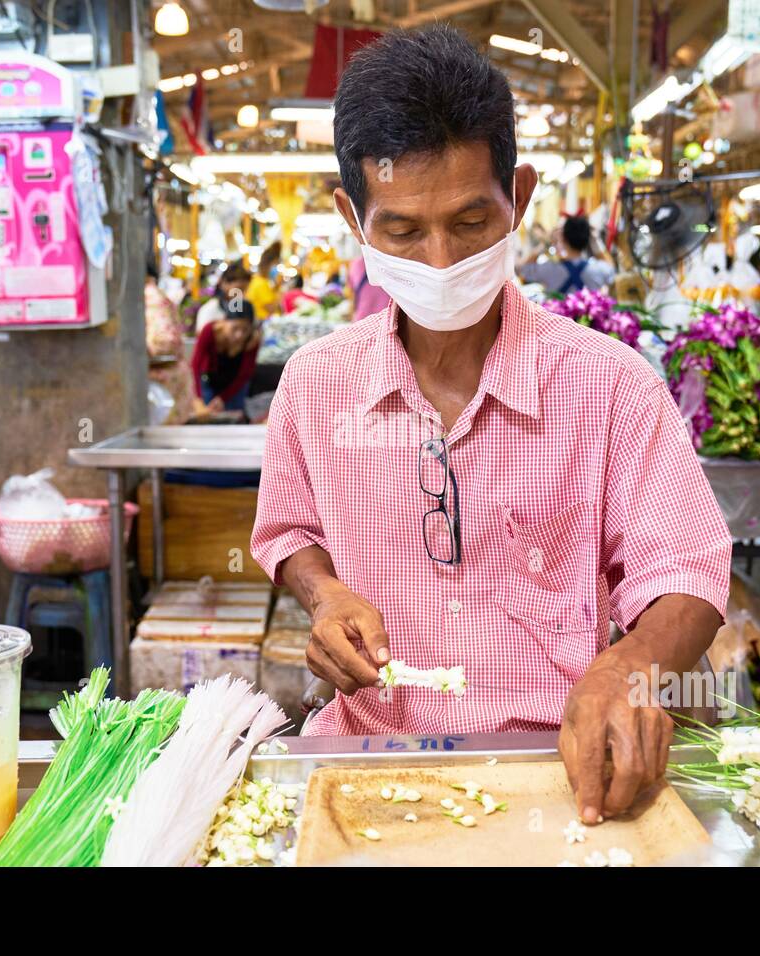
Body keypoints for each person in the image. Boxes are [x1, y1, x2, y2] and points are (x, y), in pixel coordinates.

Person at [251, 25, 731, 823]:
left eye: (472, 223)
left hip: (562, 768)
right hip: (368, 761)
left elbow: (688, 572)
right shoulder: (316, 385)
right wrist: (324, 592)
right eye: (403, 230)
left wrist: (634, 663)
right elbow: (289, 529)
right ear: (351, 216)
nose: (439, 260)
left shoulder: (610, 388)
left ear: (523, 196)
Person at [191, 297, 259, 415]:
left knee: (235, 417)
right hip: (210, 379)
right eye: (235, 328)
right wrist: (197, 398)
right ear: (224, 321)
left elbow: (245, 374)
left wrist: (223, 398)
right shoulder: (210, 331)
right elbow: (196, 364)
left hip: (236, 383)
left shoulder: (252, 340)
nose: (239, 335)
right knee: (207, 414)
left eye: (245, 329)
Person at [518, 214, 614, 294]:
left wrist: (546, 243)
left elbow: (523, 269)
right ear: (588, 239)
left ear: (564, 238)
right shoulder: (598, 269)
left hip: (556, 316)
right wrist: (595, 242)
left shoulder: (550, 269)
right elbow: (611, 270)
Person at [194, 260, 251, 333]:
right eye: (239, 289)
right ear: (224, 284)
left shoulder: (244, 308)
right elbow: (201, 336)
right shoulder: (211, 309)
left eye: (245, 289)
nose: (242, 294)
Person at [348, 254, 390, 321]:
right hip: (386, 318)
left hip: (362, 319)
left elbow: (352, 295)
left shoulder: (356, 264)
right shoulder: (390, 264)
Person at [246, 242, 283, 319]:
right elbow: (271, 309)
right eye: (275, 264)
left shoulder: (257, 281)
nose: (276, 268)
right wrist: (279, 289)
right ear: (267, 265)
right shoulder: (261, 284)